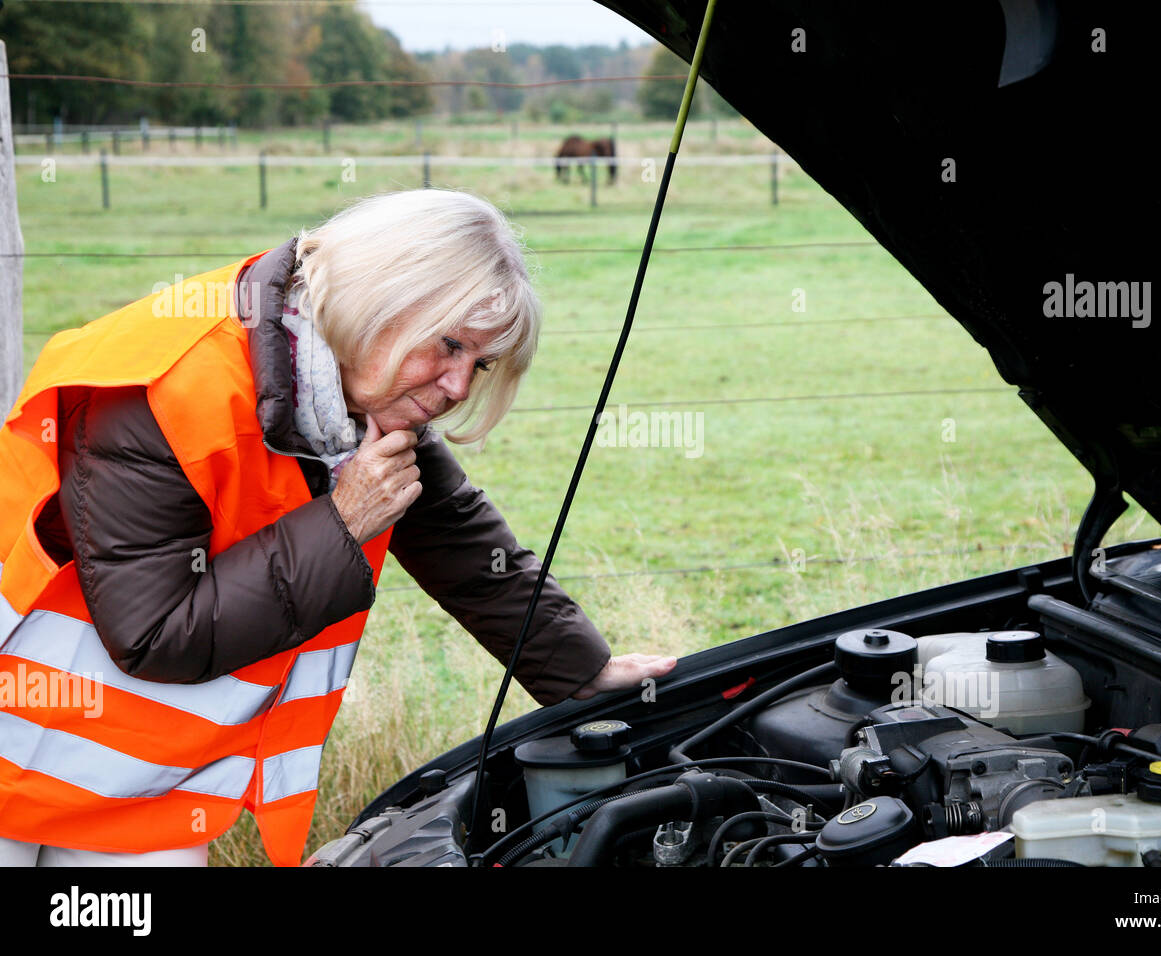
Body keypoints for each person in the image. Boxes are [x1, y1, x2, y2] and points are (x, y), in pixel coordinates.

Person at [0, 187, 676, 867]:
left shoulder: (353, 386)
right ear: (382, 299)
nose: (459, 388)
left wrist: (582, 670)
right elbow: (154, 632)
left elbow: (461, 548)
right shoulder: (164, 390)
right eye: (449, 346)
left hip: (135, 787)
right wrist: (342, 521)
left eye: (482, 364)